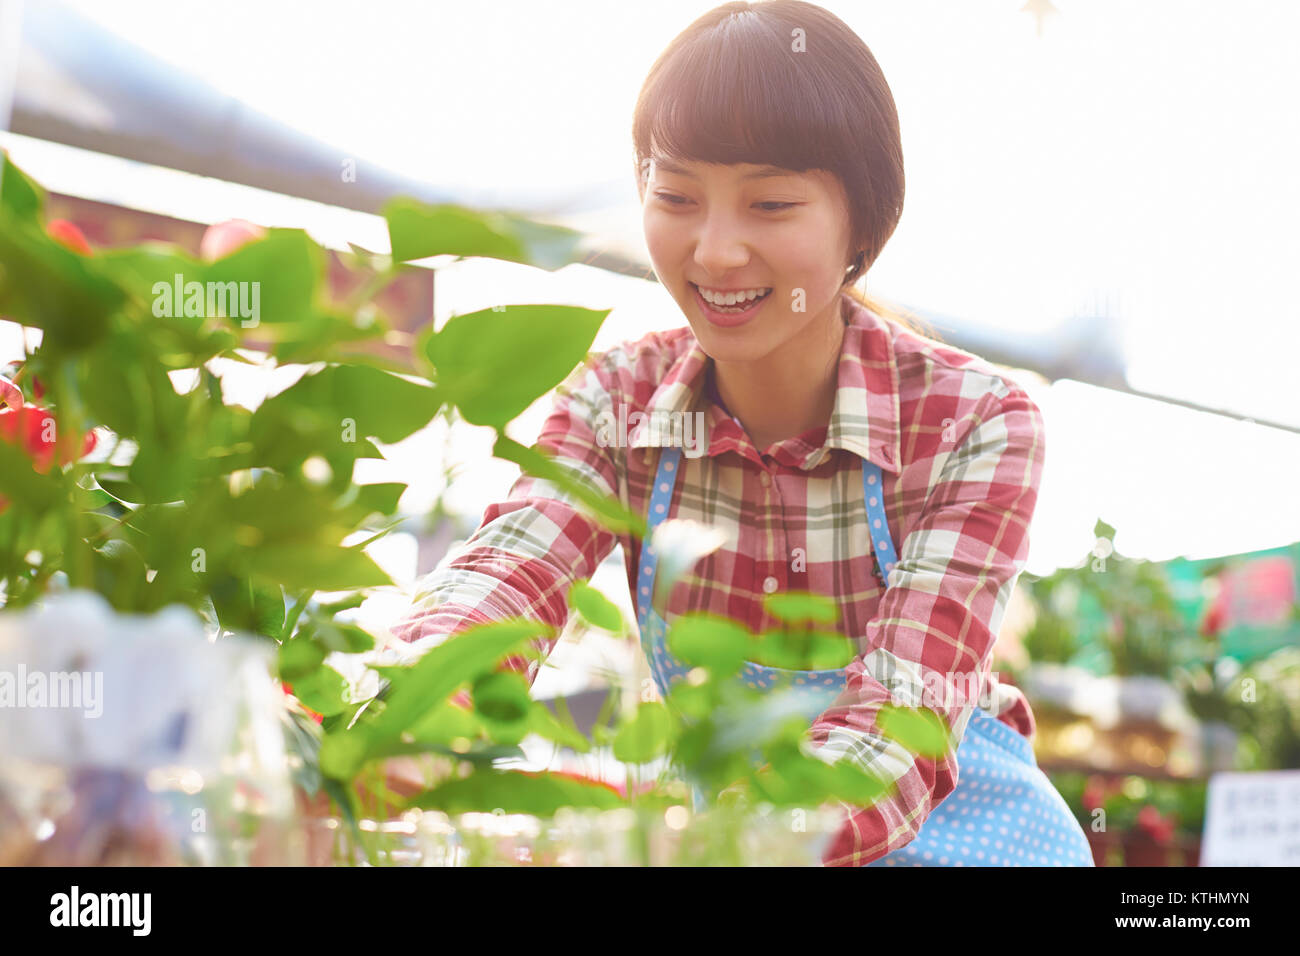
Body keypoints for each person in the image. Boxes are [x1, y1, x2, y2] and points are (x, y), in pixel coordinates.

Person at [392, 0, 1093, 867]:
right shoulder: (617, 400)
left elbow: (904, 715)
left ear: (861, 228)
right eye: (677, 196)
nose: (716, 252)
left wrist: (735, 842)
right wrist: (414, 710)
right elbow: (507, 574)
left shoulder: (972, 424)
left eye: (770, 204)